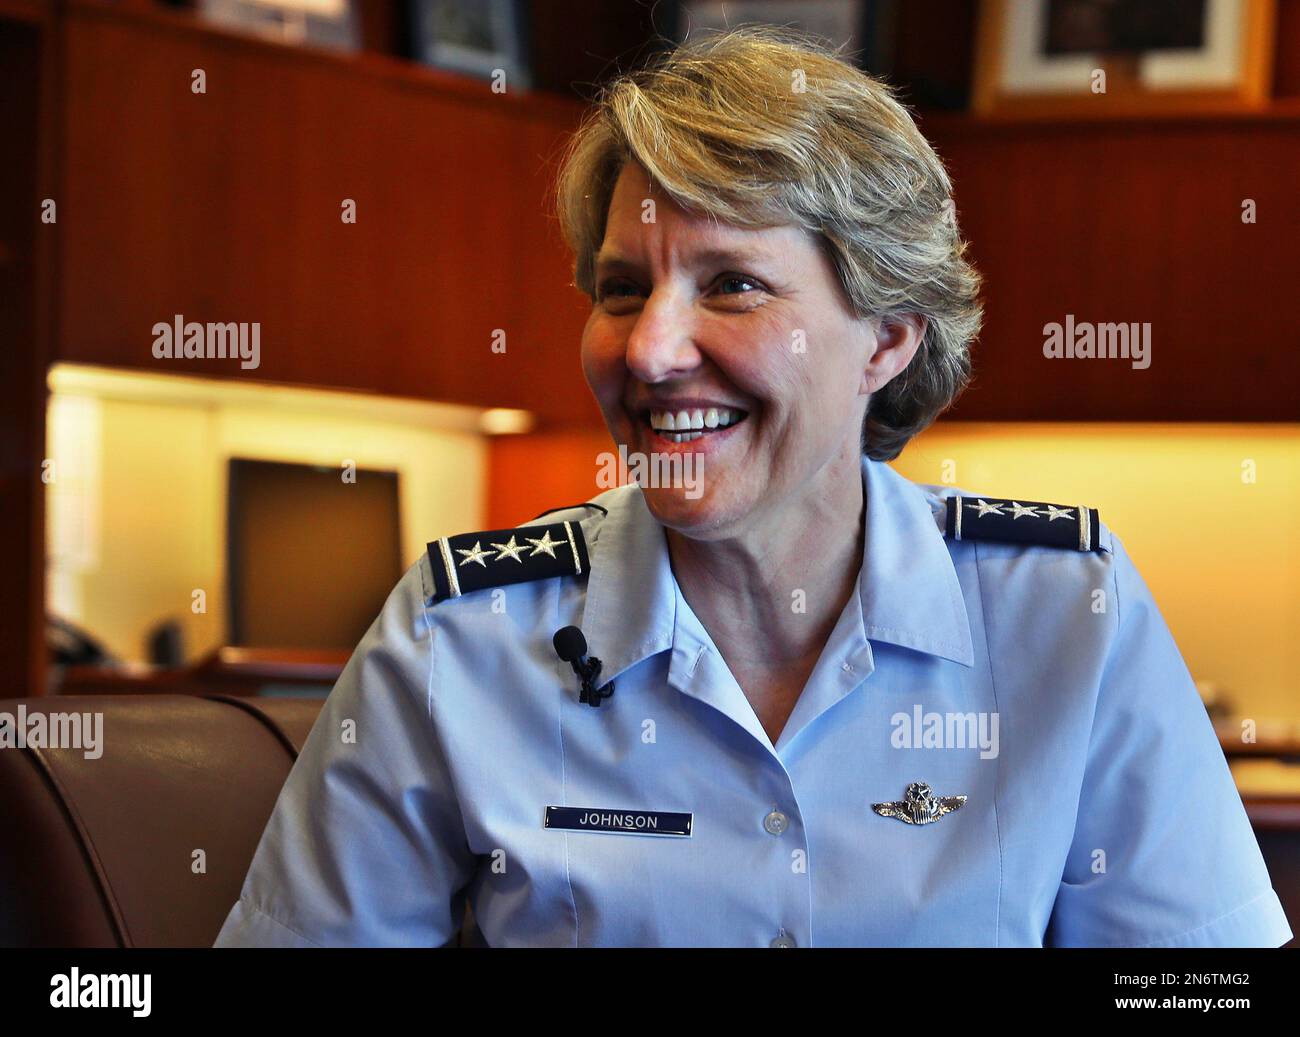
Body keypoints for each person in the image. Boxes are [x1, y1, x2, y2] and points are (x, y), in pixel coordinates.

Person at [214, 26, 1291, 948]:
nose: (648, 352)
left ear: (885, 337)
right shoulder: (463, 632)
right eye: (622, 289)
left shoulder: (1061, 606)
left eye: (731, 283)